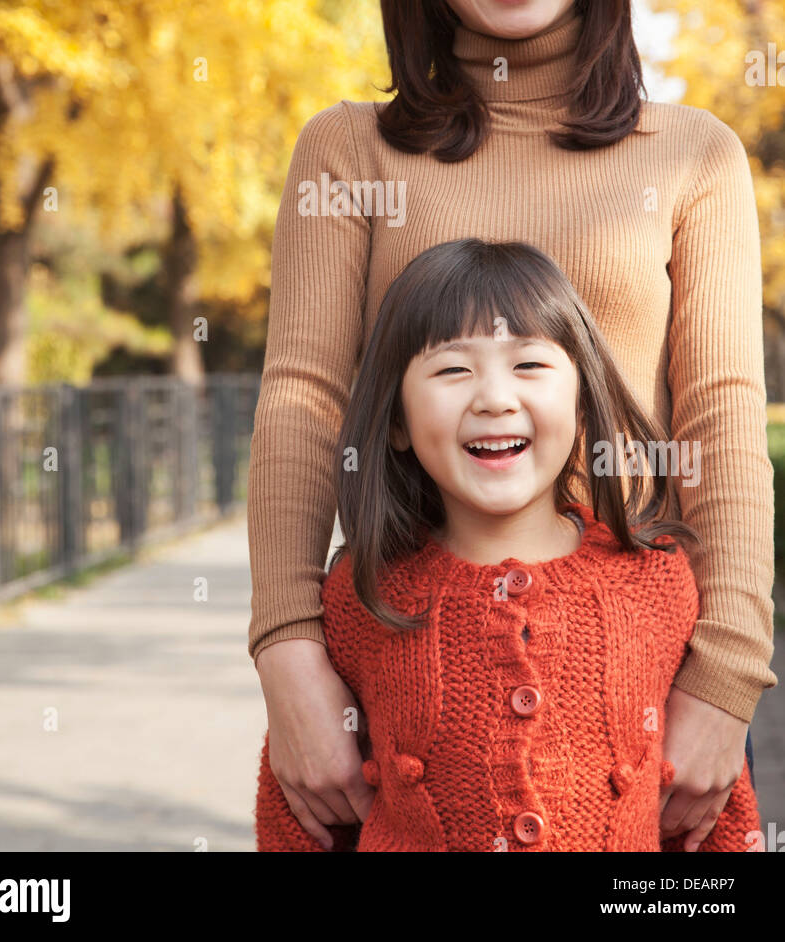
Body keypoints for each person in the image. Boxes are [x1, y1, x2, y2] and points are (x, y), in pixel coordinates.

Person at [249, 0, 776, 852]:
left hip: (637, 679)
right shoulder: (349, 150)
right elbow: (303, 396)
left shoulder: (693, 156)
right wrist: (289, 649)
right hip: (409, 680)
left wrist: (723, 679)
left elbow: (719, 417)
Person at [254, 238, 761, 851]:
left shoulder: (653, 583)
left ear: (579, 402)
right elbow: (299, 819)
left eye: (529, 365)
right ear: (395, 422)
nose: (495, 398)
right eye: (452, 369)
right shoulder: (362, 598)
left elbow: (718, 823)